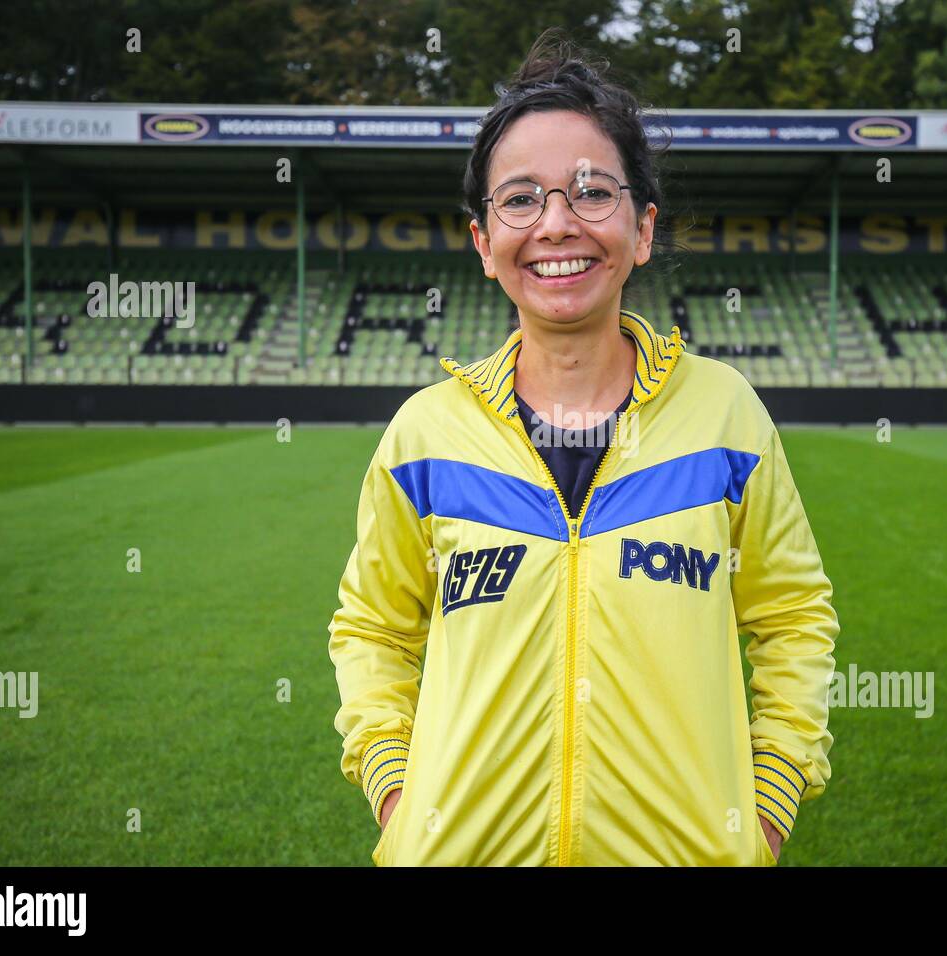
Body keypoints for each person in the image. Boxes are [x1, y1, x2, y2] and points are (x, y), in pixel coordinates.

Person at [328, 29, 838, 866]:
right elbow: (372, 632)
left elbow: (792, 621)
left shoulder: (726, 417)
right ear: (484, 244)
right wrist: (397, 791)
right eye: (520, 199)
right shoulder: (424, 435)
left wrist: (768, 808)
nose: (556, 224)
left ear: (642, 229)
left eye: (591, 192)